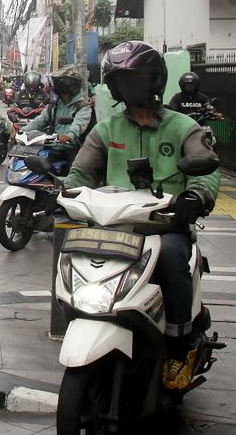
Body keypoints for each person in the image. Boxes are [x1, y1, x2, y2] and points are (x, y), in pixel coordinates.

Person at [64, 41, 220, 390]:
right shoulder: (106, 128)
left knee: (172, 257)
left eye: (137, 77)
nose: (129, 85)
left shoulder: (183, 127)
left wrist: (195, 196)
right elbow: (80, 174)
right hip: (115, 227)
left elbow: (206, 170)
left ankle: (179, 349)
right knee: (71, 251)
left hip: (165, 226)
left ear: (155, 80)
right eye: (122, 79)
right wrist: (64, 194)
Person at [21, 66, 93, 167]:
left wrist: (68, 136)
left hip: (73, 149)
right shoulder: (54, 105)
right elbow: (40, 120)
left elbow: (79, 125)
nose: (56, 85)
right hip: (53, 148)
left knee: (75, 173)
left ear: (70, 85)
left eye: (60, 82)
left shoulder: (82, 106)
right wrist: (22, 131)